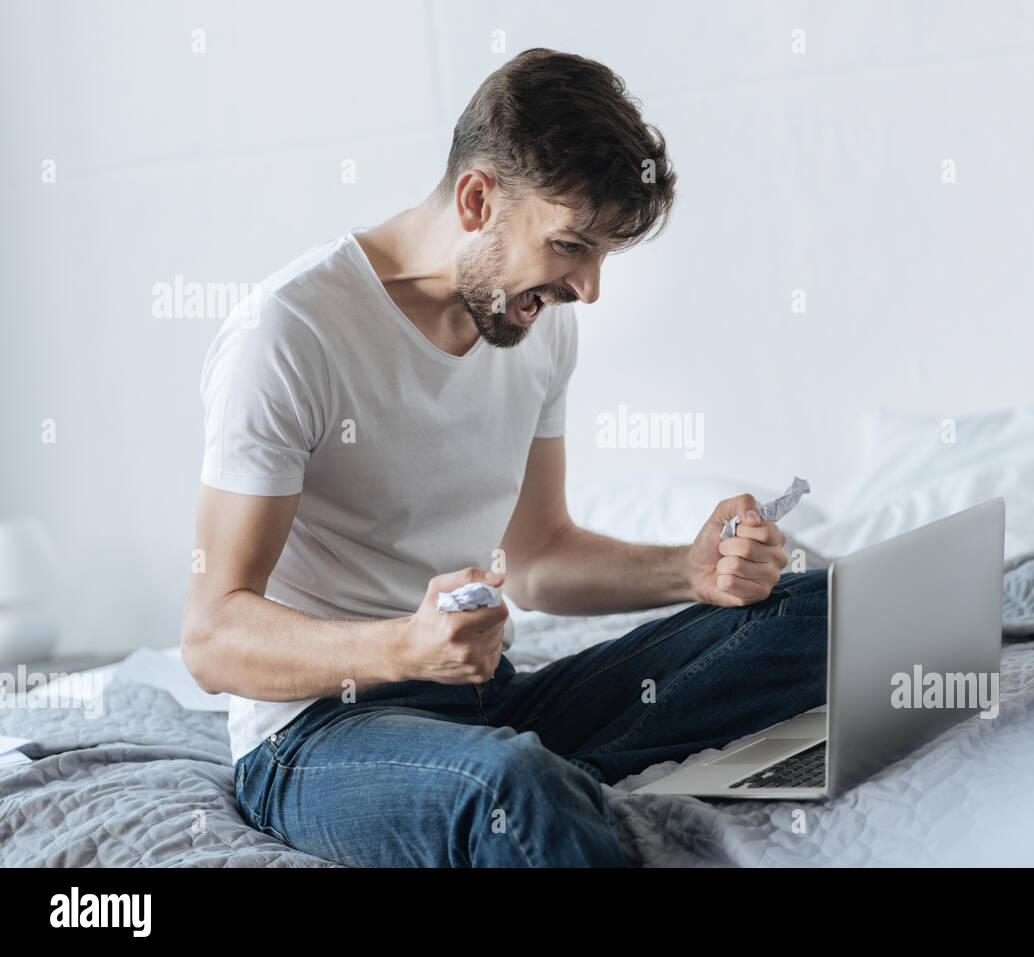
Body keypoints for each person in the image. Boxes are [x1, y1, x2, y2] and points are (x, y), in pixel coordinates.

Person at [181, 47, 827, 867]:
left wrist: (690, 570)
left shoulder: (537, 323)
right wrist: (404, 649)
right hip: (317, 734)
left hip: (489, 700)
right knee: (510, 786)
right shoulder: (288, 334)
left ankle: (526, 787)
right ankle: (524, 795)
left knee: (820, 613)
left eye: (601, 257)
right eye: (569, 246)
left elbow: (539, 558)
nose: (588, 289)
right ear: (478, 198)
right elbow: (209, 637)